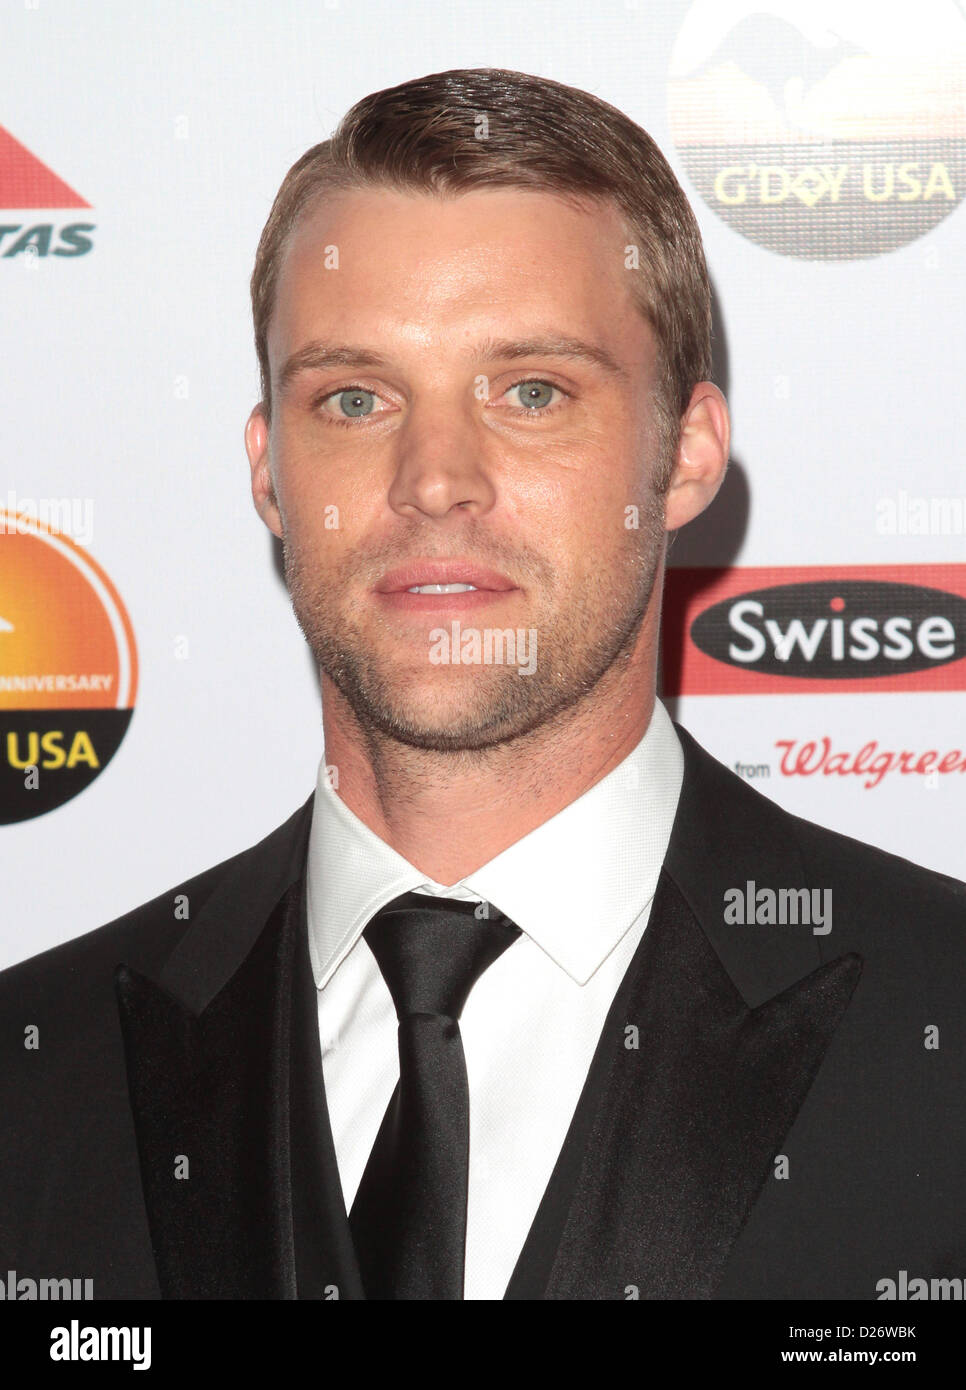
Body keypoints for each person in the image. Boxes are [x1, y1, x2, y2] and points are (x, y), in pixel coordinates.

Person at [2, 66, 964, 1302]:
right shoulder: (39, 1072)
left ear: (686, 455)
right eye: (355, 397)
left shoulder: (938, 1031)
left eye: (531, 391)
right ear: (268, 472)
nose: (436, 477)